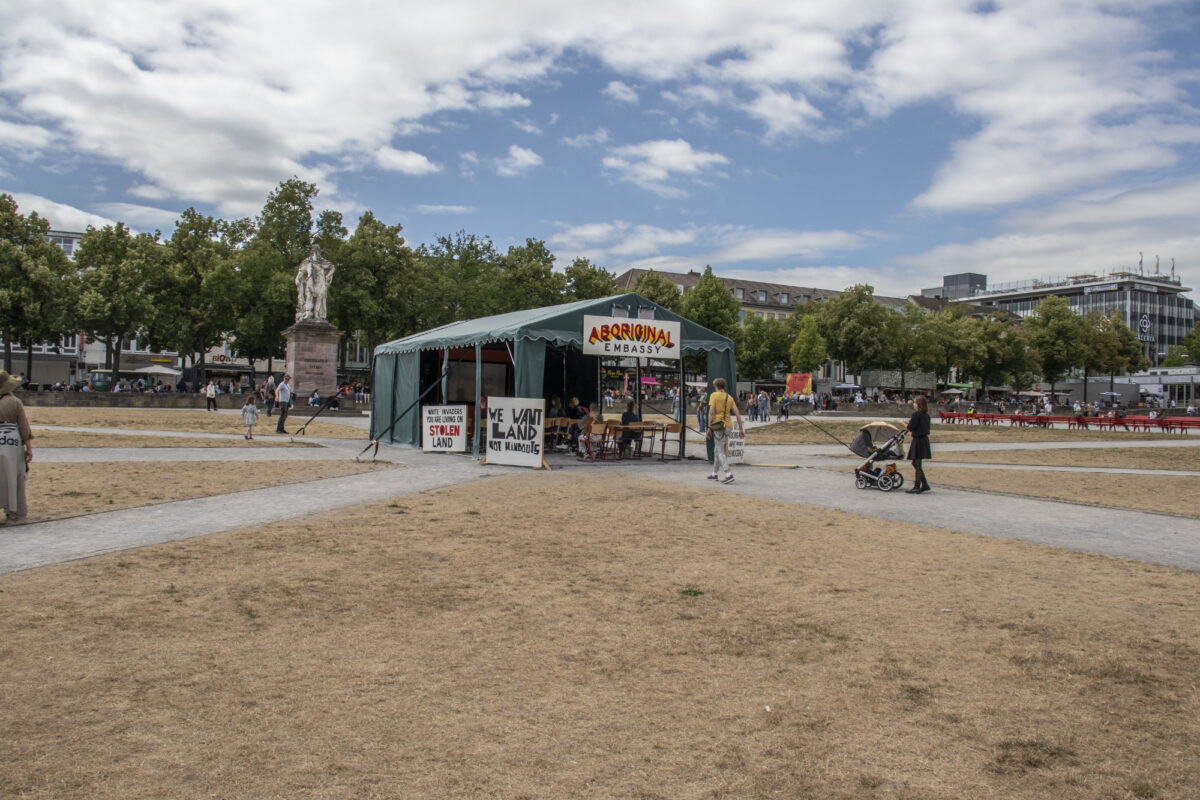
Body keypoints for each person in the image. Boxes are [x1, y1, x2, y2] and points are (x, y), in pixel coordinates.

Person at [0, 370, 34, 523]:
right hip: (11, 442)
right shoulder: (15, 402)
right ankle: (15, 512)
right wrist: (29, 448)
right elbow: (24, 427)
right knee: (14, 476)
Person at [707, 377, 744, 484]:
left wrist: (709, 427)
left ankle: (728, 473)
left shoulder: (714, 395)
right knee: (717, 448)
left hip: (718, 425)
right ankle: (714, 473)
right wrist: (740, 429)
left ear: (715, 386)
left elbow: (711, 412)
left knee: (720, 450)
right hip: (728, 425)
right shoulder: (729, 397)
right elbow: (737, 413)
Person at [906, 394, 932, 494]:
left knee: (916, 462)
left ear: (918, 404)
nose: (914, 405)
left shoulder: (917, 415)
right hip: (924, 439)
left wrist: (902, 424)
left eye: (915, 403)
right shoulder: (926, 415)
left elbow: (910, 427)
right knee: (916, 463)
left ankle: (918, 485)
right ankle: (924, 484)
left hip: (918, 440)